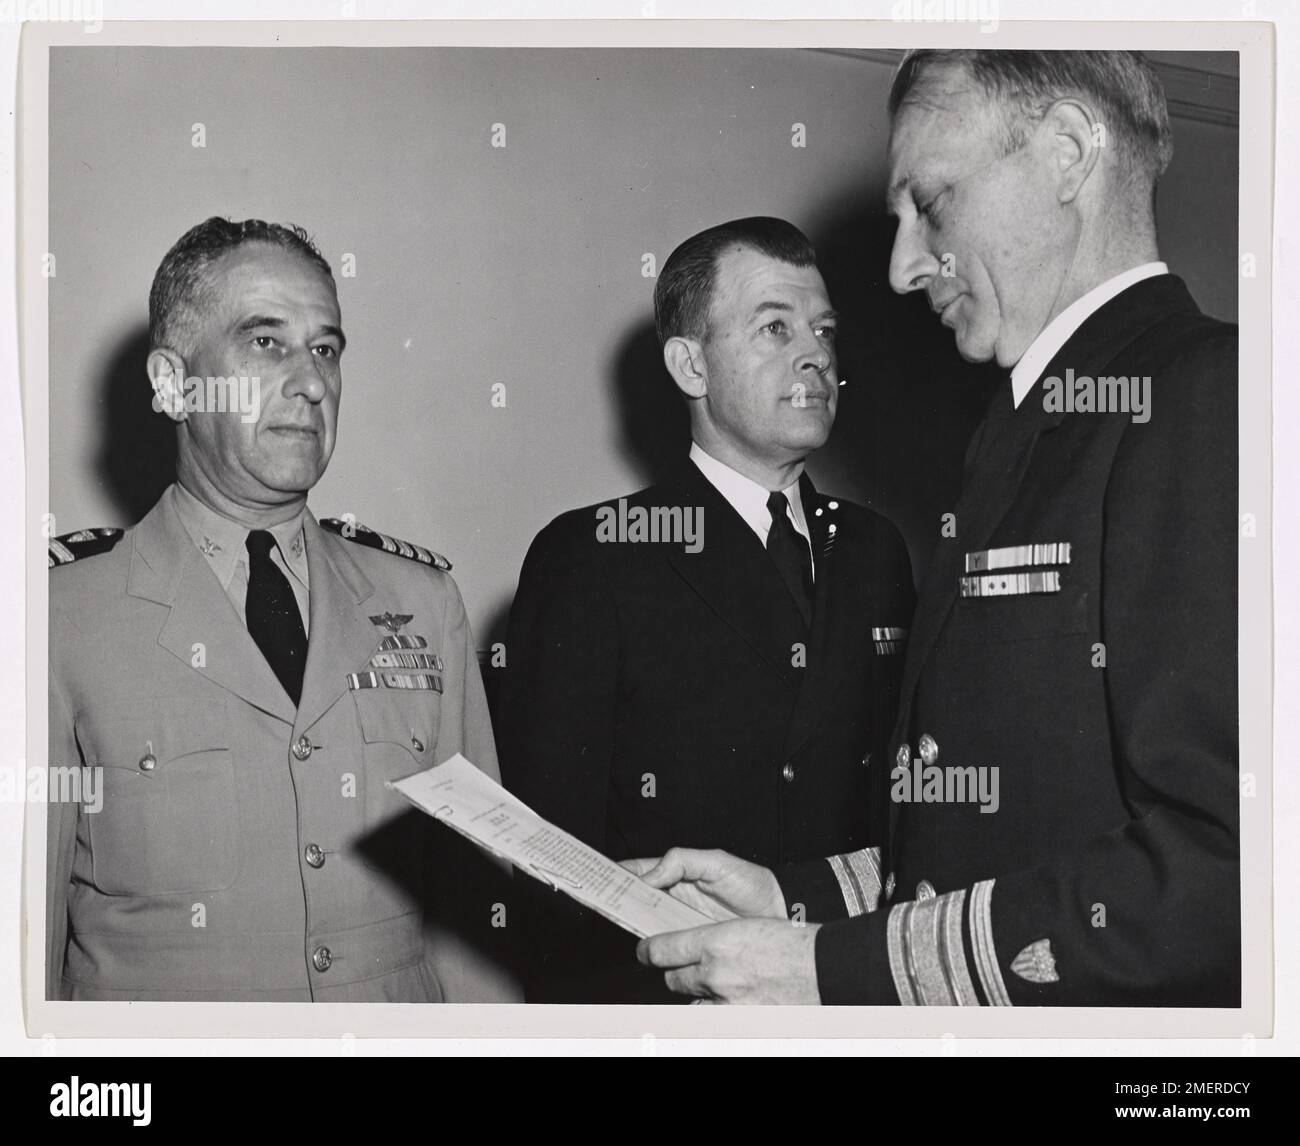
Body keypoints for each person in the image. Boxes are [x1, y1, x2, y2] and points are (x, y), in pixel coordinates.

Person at [634, 50, 1239, 1006]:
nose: (903, 266)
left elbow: (1228, 873)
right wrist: (799, 901)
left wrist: (831, 967)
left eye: (935, 204)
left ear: (1070, 153)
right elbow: (1030, 825)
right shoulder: (1031, 426)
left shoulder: (1208, 396)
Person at [47, 216, 520, 1002]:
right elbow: (22, 956)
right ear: (172, 384)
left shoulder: (420, 601)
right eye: (266, 343)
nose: (311, 381)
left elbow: (477, 917)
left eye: (326, 349)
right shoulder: (62, 616)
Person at [498, 217, 915, 1001]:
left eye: (824, 329)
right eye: (774, 327)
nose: (816, 354)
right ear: (690, 364)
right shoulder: (594, 556)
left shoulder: (878, 551)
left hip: (848, 991)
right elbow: (551, 864)